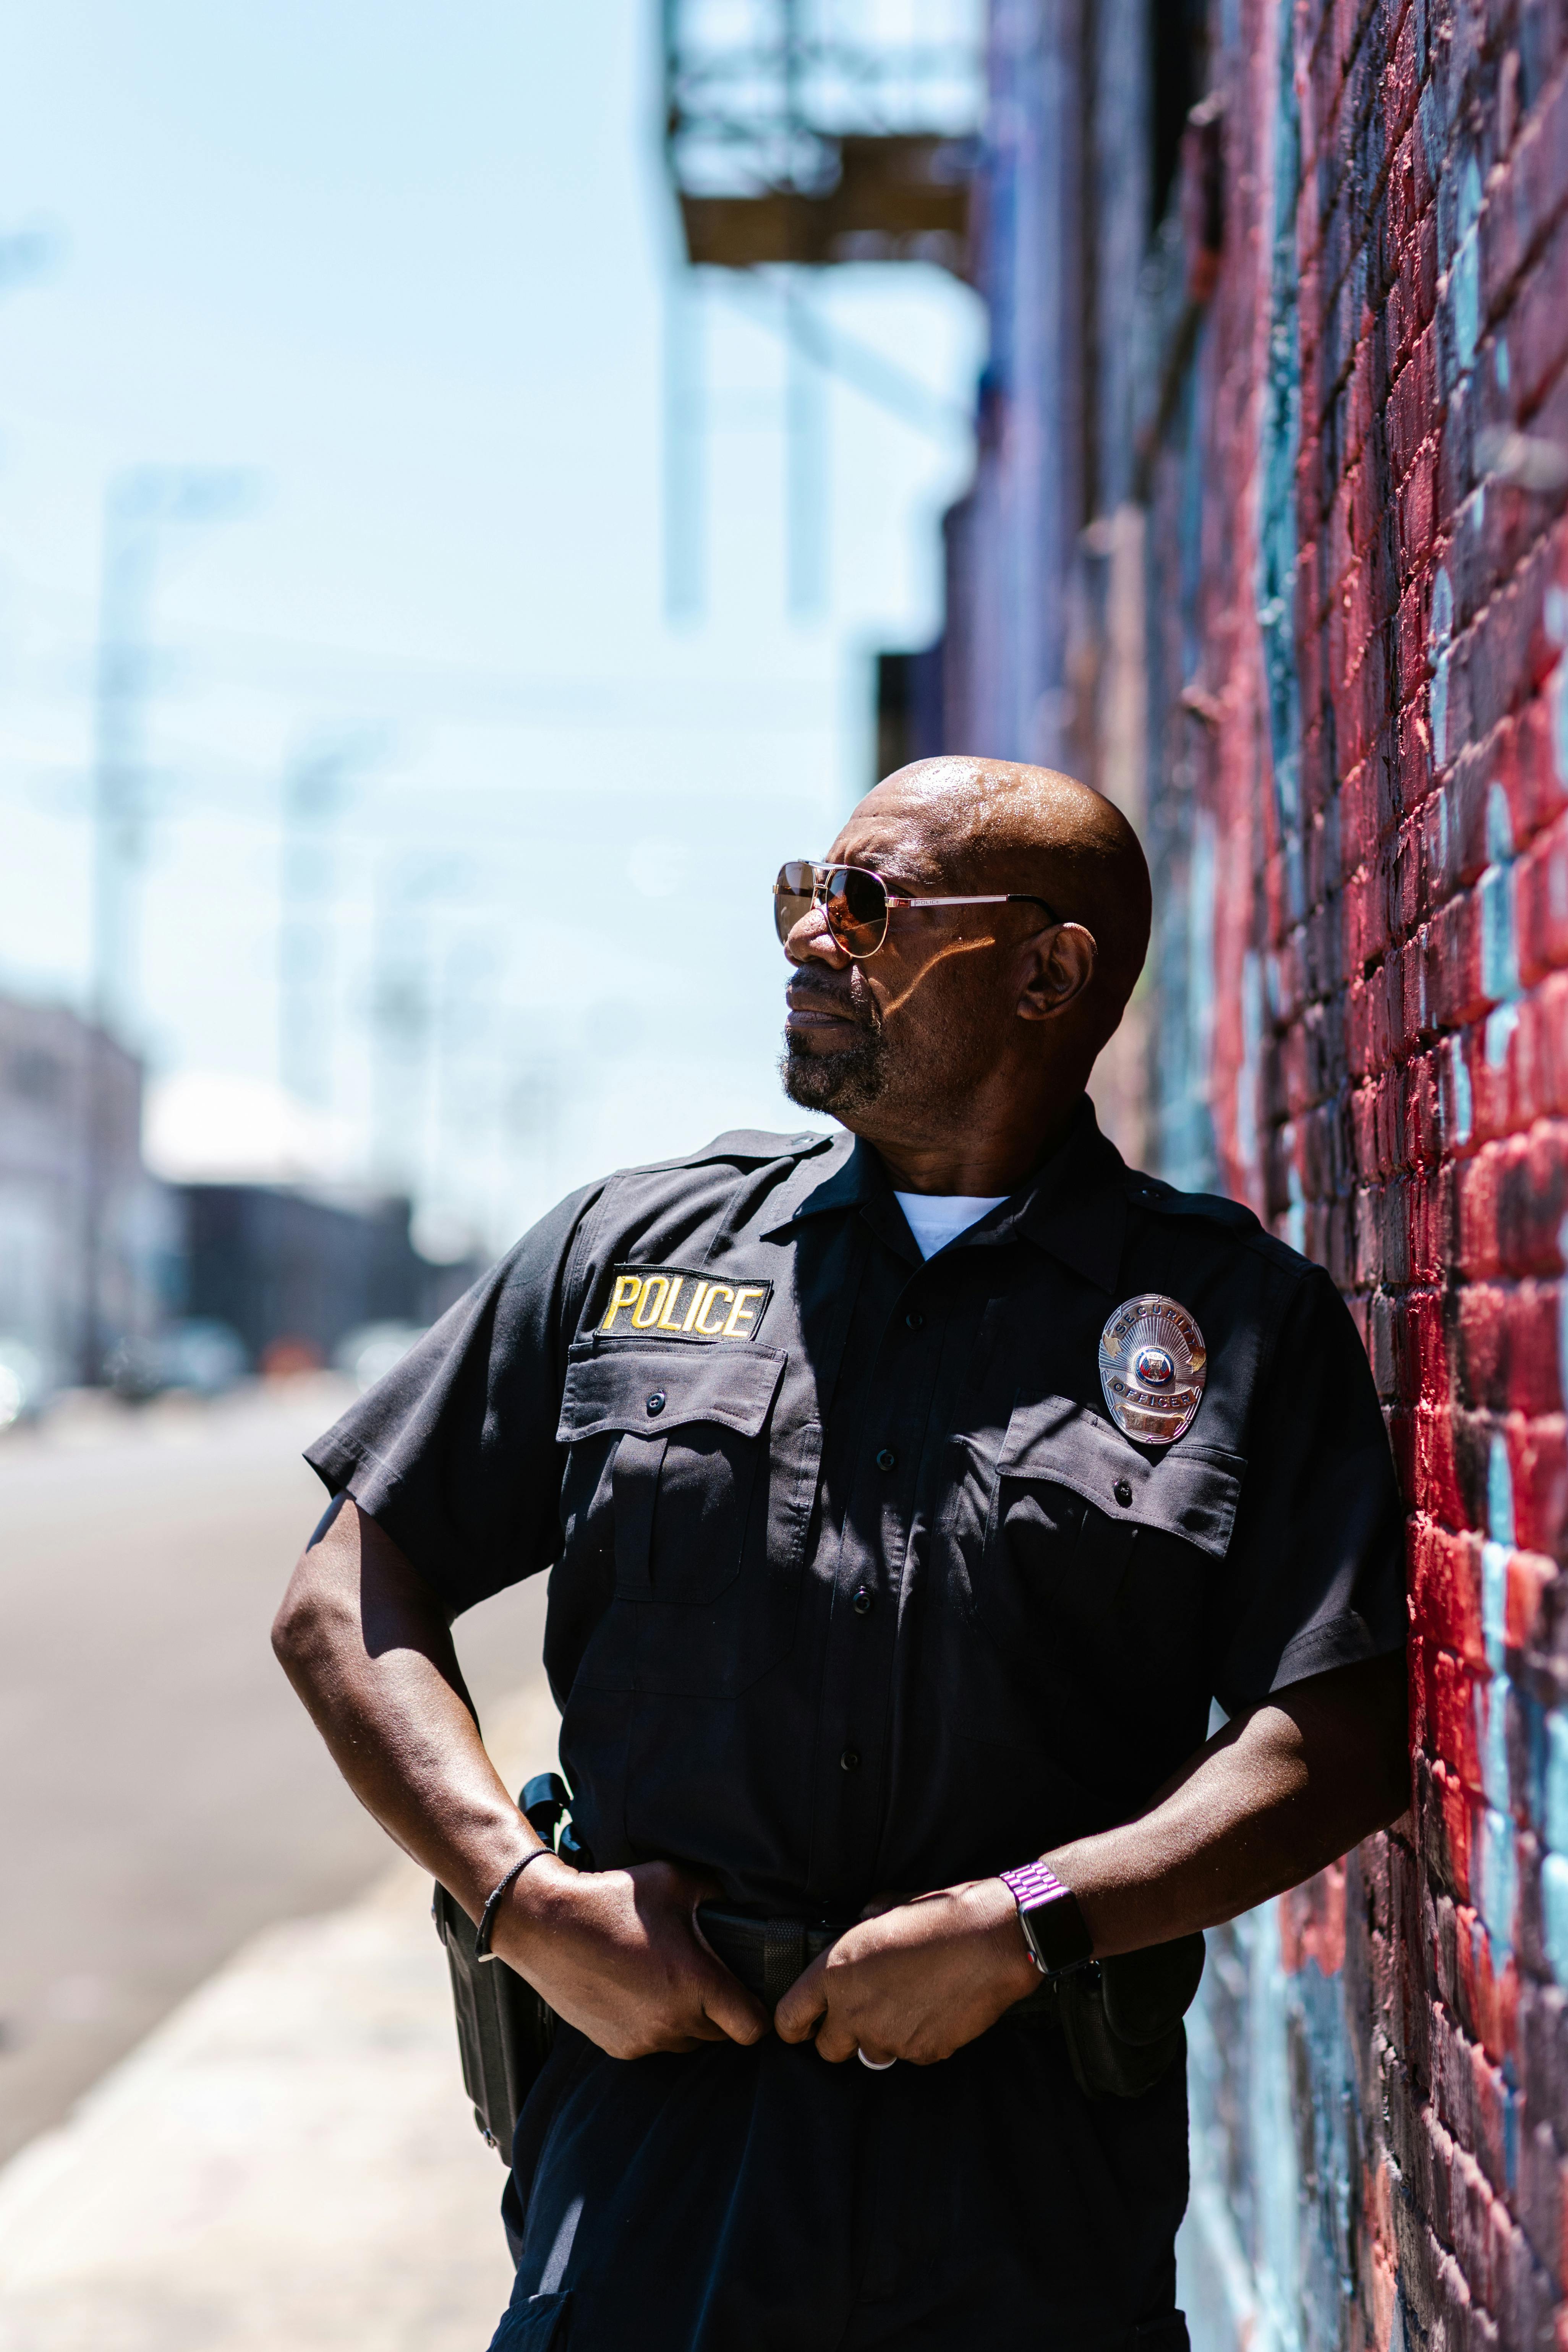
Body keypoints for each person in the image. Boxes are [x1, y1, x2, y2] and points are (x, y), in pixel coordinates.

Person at [274, 757, 1409, 2352]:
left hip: (1028, 2205)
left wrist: (1031, 1919)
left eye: (866, 905)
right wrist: (519, 1897)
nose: (812, 939)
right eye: (805, 896)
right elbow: (342, 1597)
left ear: (1049, 970)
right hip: (649, 2183)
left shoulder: (1232, 1325)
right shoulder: (632, 1250)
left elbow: (1338, 1737)